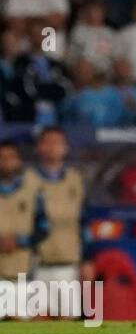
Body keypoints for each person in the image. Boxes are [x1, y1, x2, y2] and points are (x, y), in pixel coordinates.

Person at [29, 126, 88, 317]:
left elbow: (84, 222)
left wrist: (88, 259)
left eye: (57, 143)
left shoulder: (76, 180)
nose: (52, 147)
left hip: (68, 264)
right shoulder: (26, 180)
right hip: (35, 264)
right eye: (48, 142)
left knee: (67, 323)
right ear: (39, 147)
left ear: (65, 148)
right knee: (35, 322)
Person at [0, 141, 39, 286]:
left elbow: (44, 229)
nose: (6, 162)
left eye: (11, 157)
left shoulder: (33, 190)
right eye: (2, 157)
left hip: (25, 273)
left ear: (19, 161)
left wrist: (19, 241)